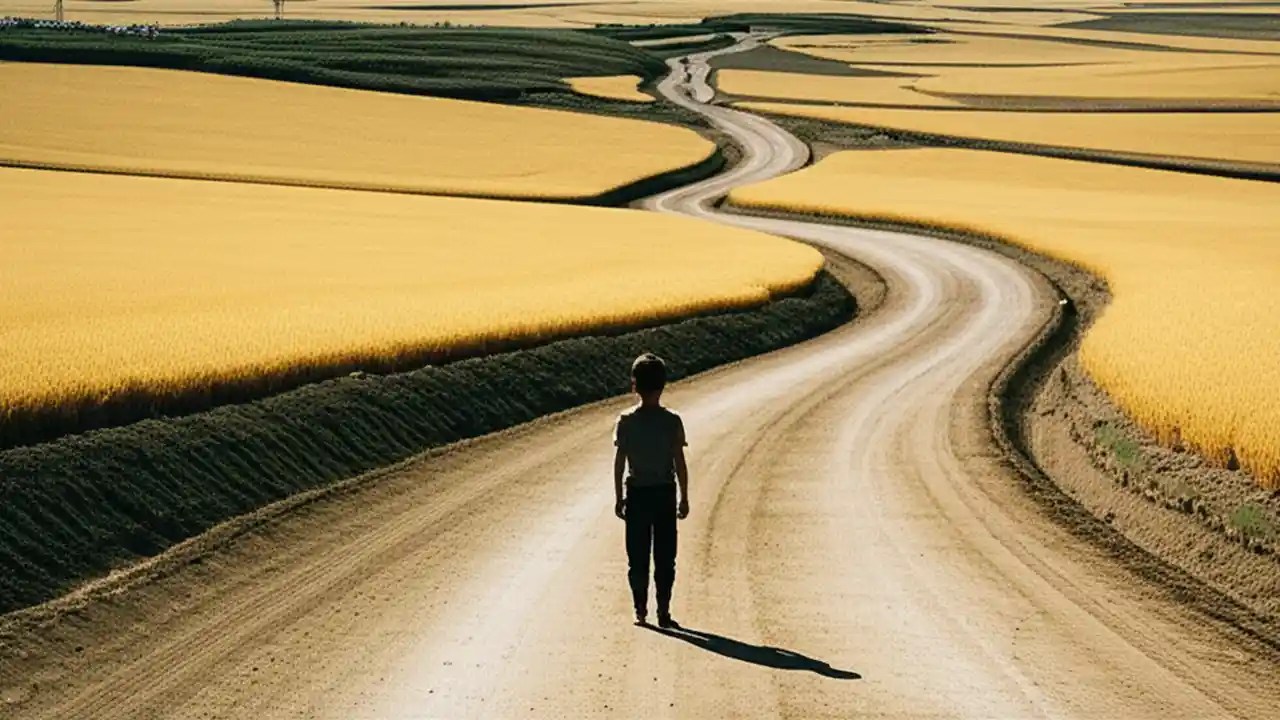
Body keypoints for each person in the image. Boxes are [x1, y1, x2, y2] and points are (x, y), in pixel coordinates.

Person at [613, 352, 690, 628]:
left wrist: (619, 497)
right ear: (663, 385)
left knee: (637, 555)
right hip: (665, 493)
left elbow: (619, 463)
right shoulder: (672, 421)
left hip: (637, 494)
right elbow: (679, 462)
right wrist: (684, 497)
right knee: (665, 556)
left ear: (634, 385)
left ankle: (640, 610)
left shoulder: (626, 421)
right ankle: (664, 612)